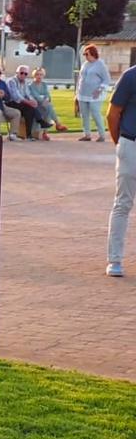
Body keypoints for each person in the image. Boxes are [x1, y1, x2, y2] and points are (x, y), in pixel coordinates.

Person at [105, 62, 136, 277]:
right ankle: (114, 260)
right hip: (131, 142)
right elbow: (112, 114)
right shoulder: (130, 77)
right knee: (123, 203)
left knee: (122, 203)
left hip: (128, 142)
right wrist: (121, 144)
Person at [77, 44, 111, 143]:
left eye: (87, 54)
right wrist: (77, 92)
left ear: (93, 54)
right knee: (84, 115)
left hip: (95, 94)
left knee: (95, 114)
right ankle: (87, 134)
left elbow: (106, 79)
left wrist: (100, 89)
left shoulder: (100, 64)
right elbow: (80, 78)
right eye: (85, 54)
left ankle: (102, 135)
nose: (86, 56)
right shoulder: (85, 64)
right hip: (82, 93)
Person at [4, 65, 43, 141]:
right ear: (17, 73)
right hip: (11, 103)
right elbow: (16, 96)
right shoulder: (11, 81)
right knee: (29, 107)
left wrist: (33, 101)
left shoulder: (25, 83)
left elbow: (28, 94)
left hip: (21, 104)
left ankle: (29, 135)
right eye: (21, 73)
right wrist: (29, 102)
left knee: (30, 110)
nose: (23, 75)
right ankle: (40, 120)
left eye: (25, 74)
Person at [30, 67, 68, 134]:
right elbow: (36, 96)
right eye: (37, 74)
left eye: (41, 74)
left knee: (48, 108)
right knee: (49, 107)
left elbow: (47, 95)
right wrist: (44, 100)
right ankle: (57, 124)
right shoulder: (31, 86)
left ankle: (45, 132)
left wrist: (46, 99)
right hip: (35, 106)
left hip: (44, 105)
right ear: (34, 75)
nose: (39, 76)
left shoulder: (44, 84)